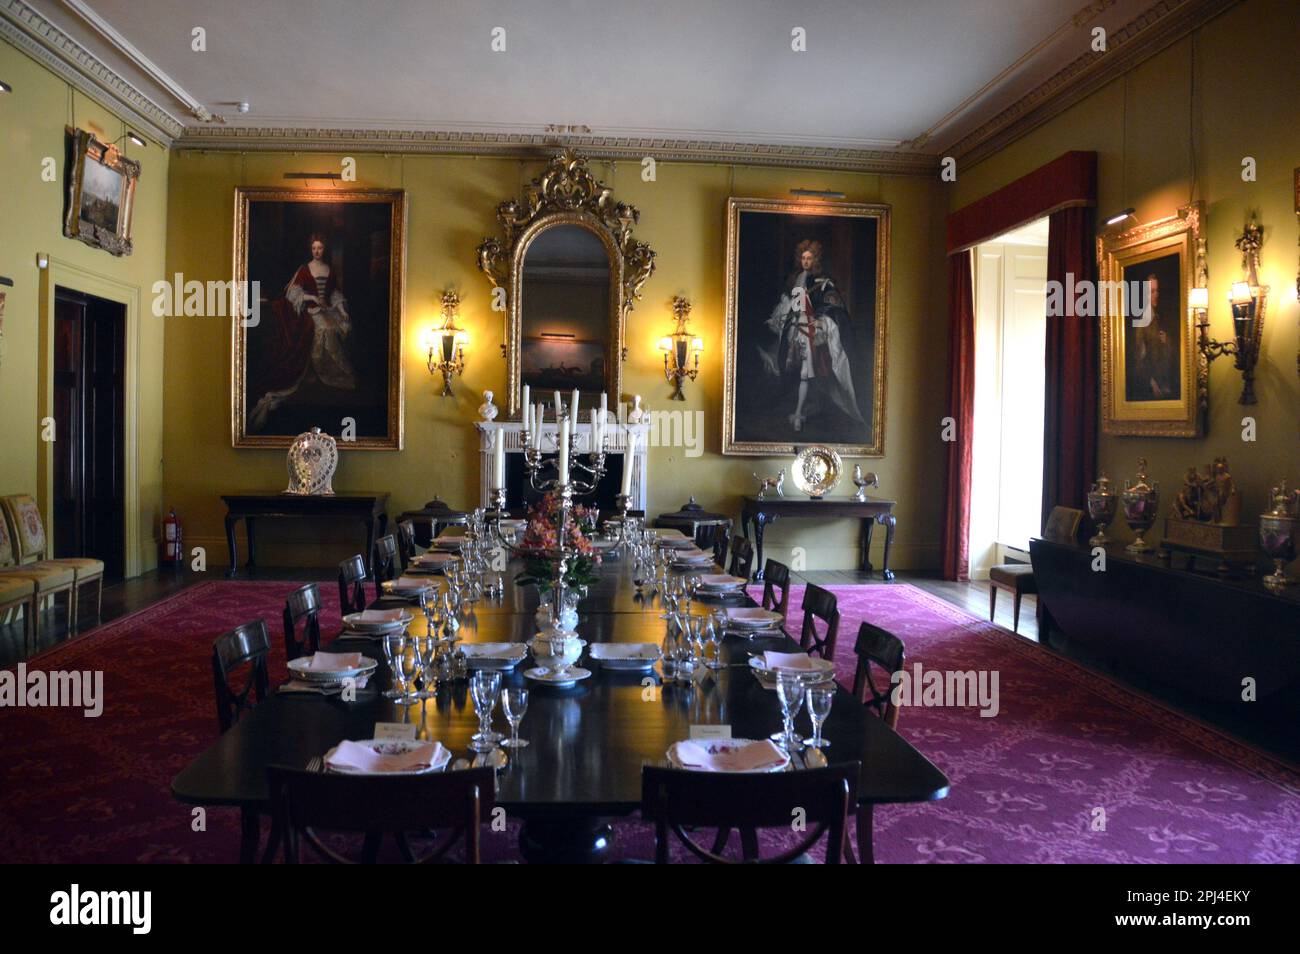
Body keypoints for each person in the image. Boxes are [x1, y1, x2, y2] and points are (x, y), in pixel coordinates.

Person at [248, 234, 356, 430]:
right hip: (312, 310)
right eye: (314, 248)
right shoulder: (305, 269)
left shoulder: (329, 269)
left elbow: (334, 293)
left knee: (337, 327)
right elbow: (294, 292)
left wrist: (342, 310)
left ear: (324, 249)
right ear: (310, 249)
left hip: (328, 309)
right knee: (322, 329)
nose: (317, 251)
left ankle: (329, 370)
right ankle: (314, 371)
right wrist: (313, 298)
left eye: (320, 248)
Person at [762, 240, 864, 432]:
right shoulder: (795, 279)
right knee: (789, 365)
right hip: (794, 329)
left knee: (806, 373)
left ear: (815, 259)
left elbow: (834, 307)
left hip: (811, 331)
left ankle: (800, 413)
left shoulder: (823, 282)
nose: (806, 261)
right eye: (803, 257)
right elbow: (789, 305)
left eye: (809, 258)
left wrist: (821, 321)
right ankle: (800, 407)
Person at [1129, 273, 1178, 401]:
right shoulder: (1142, 322)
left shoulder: (1158, 318)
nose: (1156, 294)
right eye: (1152, 291)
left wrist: (1166, 342)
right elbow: (1138, 361)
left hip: (1163, 384)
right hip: (1151, 388)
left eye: (1157, 291)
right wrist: (1151, 383)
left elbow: (1166, 355)